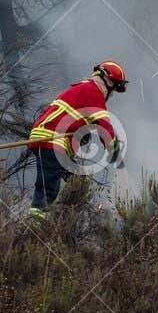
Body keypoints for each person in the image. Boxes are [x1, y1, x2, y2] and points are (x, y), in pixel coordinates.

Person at [27, 60, 127, 217]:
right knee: (49, 185)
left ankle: (63, 217)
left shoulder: (85, 89)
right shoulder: (93, 92)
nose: (112, 94)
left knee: (75, 181)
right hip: (50, 139)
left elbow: (75, 120)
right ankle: (36, 219)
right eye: (114, 89)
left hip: (52, 139)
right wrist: (113, 148)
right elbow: (104, 125)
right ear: (108, 81)